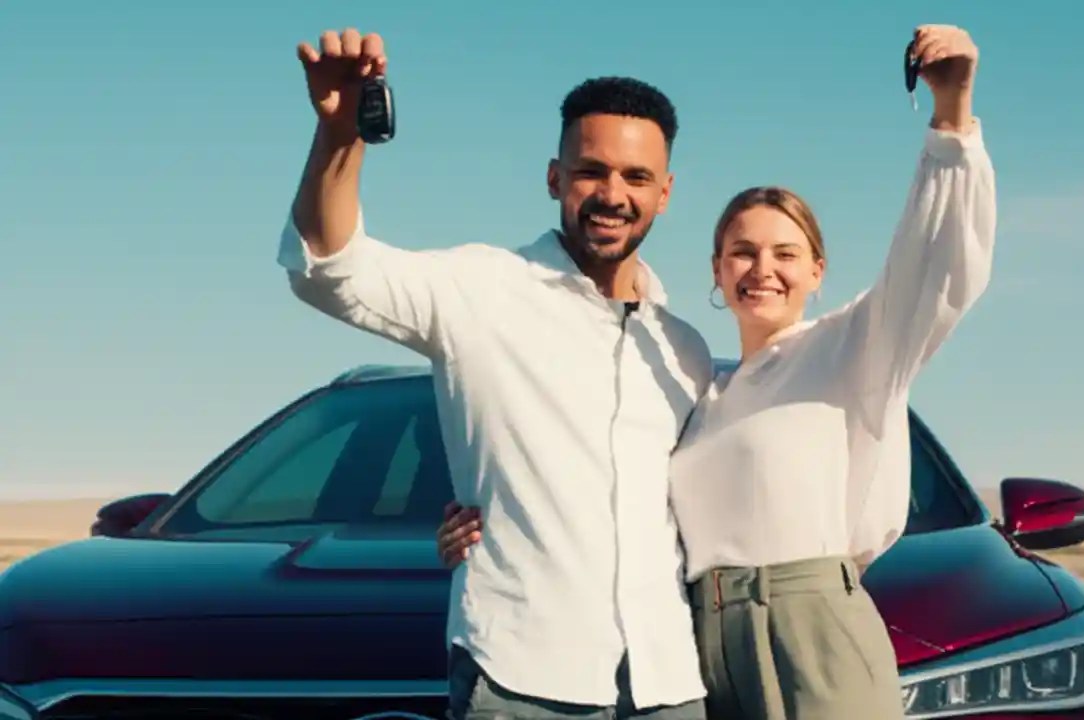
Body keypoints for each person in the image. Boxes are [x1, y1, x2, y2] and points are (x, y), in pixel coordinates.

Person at [437, 24, 996, 720]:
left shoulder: (857, 348)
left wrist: (952, 119)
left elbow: (933, 266)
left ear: (818, 272)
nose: (763, 269)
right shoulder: (698, 390)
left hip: (811, 634)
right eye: (743, 252)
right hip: (700, 645)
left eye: (786, 254)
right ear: (716, 271)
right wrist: (479, 522)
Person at [278, 28, 713, 720]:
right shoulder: (480, 290)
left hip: (667, 683)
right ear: (553, 178)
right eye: (590, 171)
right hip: (522, 677)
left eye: (635, 178)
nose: (611, 194)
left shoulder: (683, 350)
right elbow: (330, 270)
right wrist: (339, 132)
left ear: (665, 193)